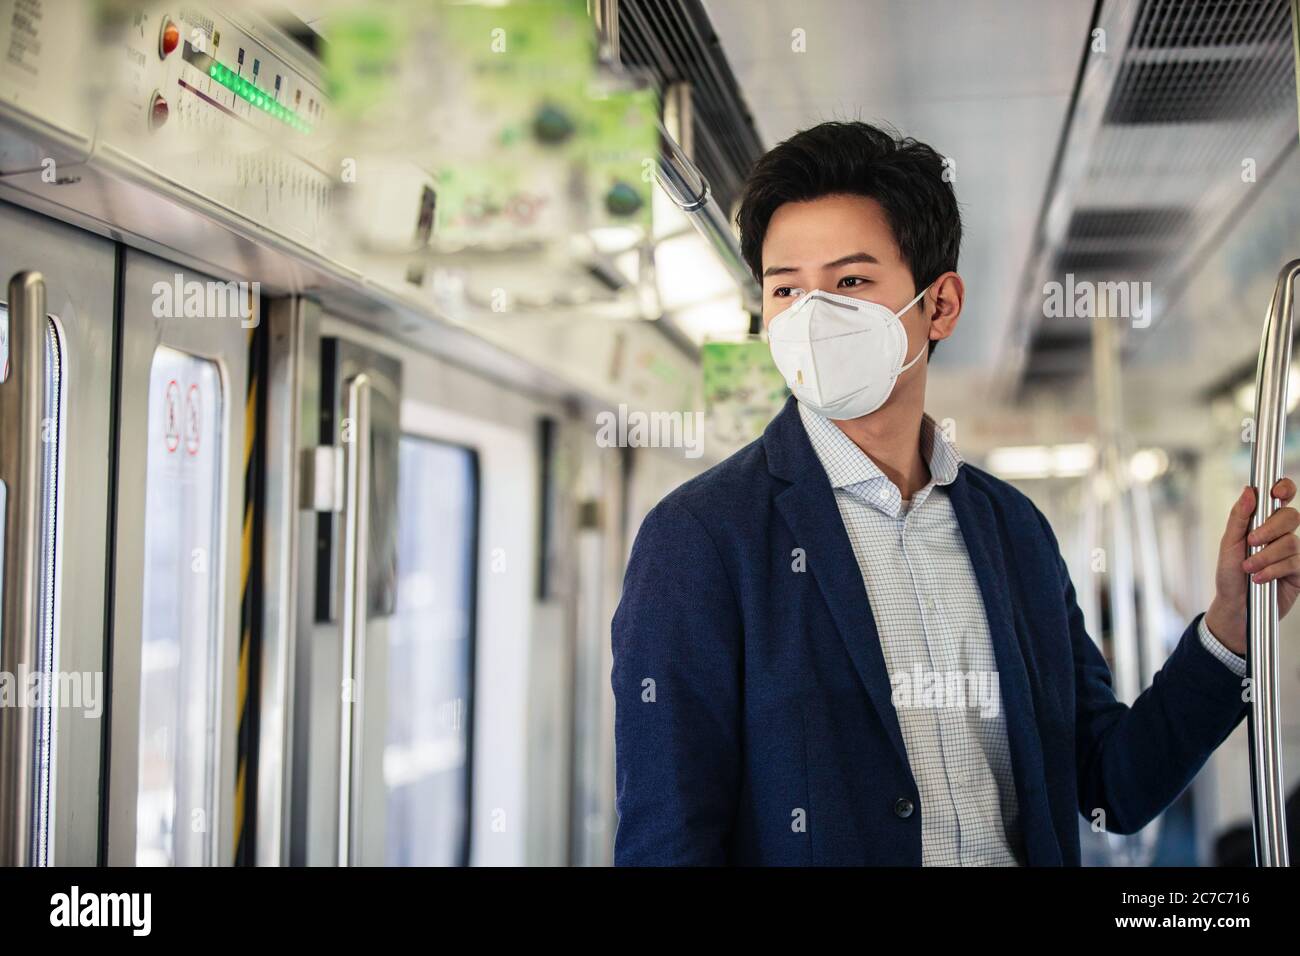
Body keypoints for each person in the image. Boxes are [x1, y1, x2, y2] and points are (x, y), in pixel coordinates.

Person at [609, 120, 1300, 866]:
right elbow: (668, 843)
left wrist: (1232, 627)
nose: (811, 318)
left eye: (850, 282)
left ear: (939, 306)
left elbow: (1113, 785)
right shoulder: (702, 538)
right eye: (785, 289)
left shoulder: (1013, 531)